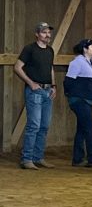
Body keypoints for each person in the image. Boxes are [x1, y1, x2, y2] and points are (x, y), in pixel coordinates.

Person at [14, 21, 57, 170]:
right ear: (37, 34)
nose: (48, 35)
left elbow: (50, 68)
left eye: (49, 32)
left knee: (44, 126)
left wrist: (54, 86)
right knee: (34, 125)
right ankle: (27, 159)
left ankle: (38, 157)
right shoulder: (29, 49)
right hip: (35, 90)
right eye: (44, 32)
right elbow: (17, 67)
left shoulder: (50, 50)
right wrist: (30, 83)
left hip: (47, 90)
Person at [64, 38, 92, 168]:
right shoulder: (78, 62)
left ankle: (78, 158)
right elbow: (68, 80)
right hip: (80, 100)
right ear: (85, 49)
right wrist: (71, 95)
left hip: (86, 100)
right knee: (90, 128)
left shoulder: (89, 63)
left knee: (82, 129)